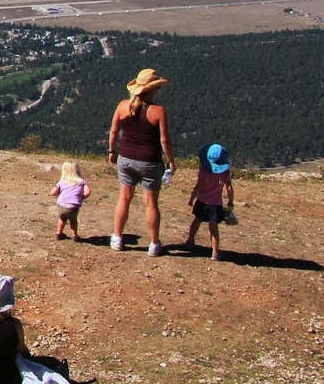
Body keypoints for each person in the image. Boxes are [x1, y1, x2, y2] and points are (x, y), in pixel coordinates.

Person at [107, 68, 175, 255]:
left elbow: (113, 132)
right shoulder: (158, 111)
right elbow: (164, 140)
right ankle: (154, 244)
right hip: (150, 161)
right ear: (152, 90)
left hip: (126, 158)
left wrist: (112, 151)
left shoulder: (123, 106)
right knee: (151, 204)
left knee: (124, 198)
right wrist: (171, 162)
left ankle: (117, 238)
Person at [183, 143, 236, 261]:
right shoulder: (225, 173)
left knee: (196, 221)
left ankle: (190, 240)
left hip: (202, 202)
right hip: (216, 204)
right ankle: (215, 252)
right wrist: (231, 201)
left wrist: (191, 199)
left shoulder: (203, 172)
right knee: (214, 230)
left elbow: (198, 187)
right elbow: (229, 188)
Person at [49, 160, 91, 240]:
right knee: (73, 220)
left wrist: (57, 194)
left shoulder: (62, 182)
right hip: (73, 206)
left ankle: (59, 233)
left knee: (62, 218)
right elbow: (88, 192)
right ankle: (74, 235)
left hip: (61, 205)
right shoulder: (81, 182)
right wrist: (81, 197)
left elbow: (53, 192)